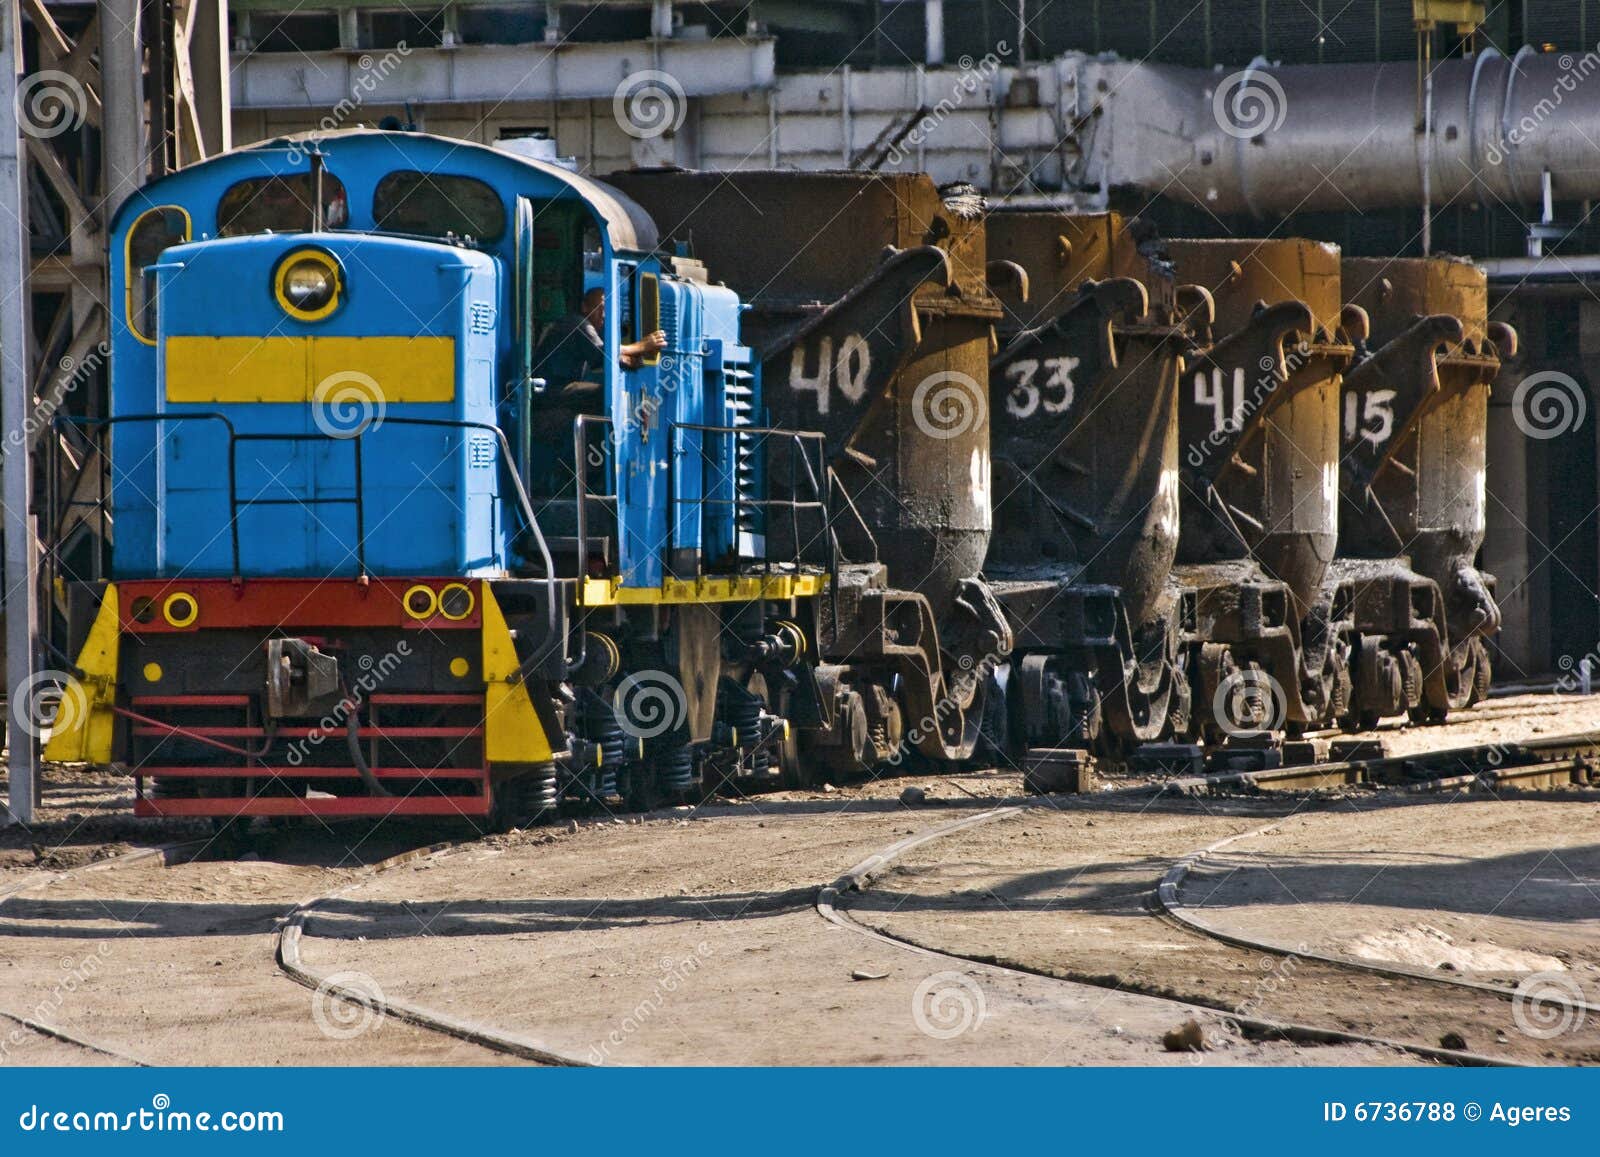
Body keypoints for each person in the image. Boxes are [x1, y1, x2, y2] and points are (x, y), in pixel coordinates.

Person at [531, 287, 668, 395]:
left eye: (606, 310)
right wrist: (642, 345)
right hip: (550, 388)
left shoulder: (578, 324)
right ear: (585, 307)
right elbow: (603, 352)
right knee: (605, 393)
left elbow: (600, 358)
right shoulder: (579, 324)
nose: (603, 315)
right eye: (599, 308)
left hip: (553, 386)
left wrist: (627, 360)